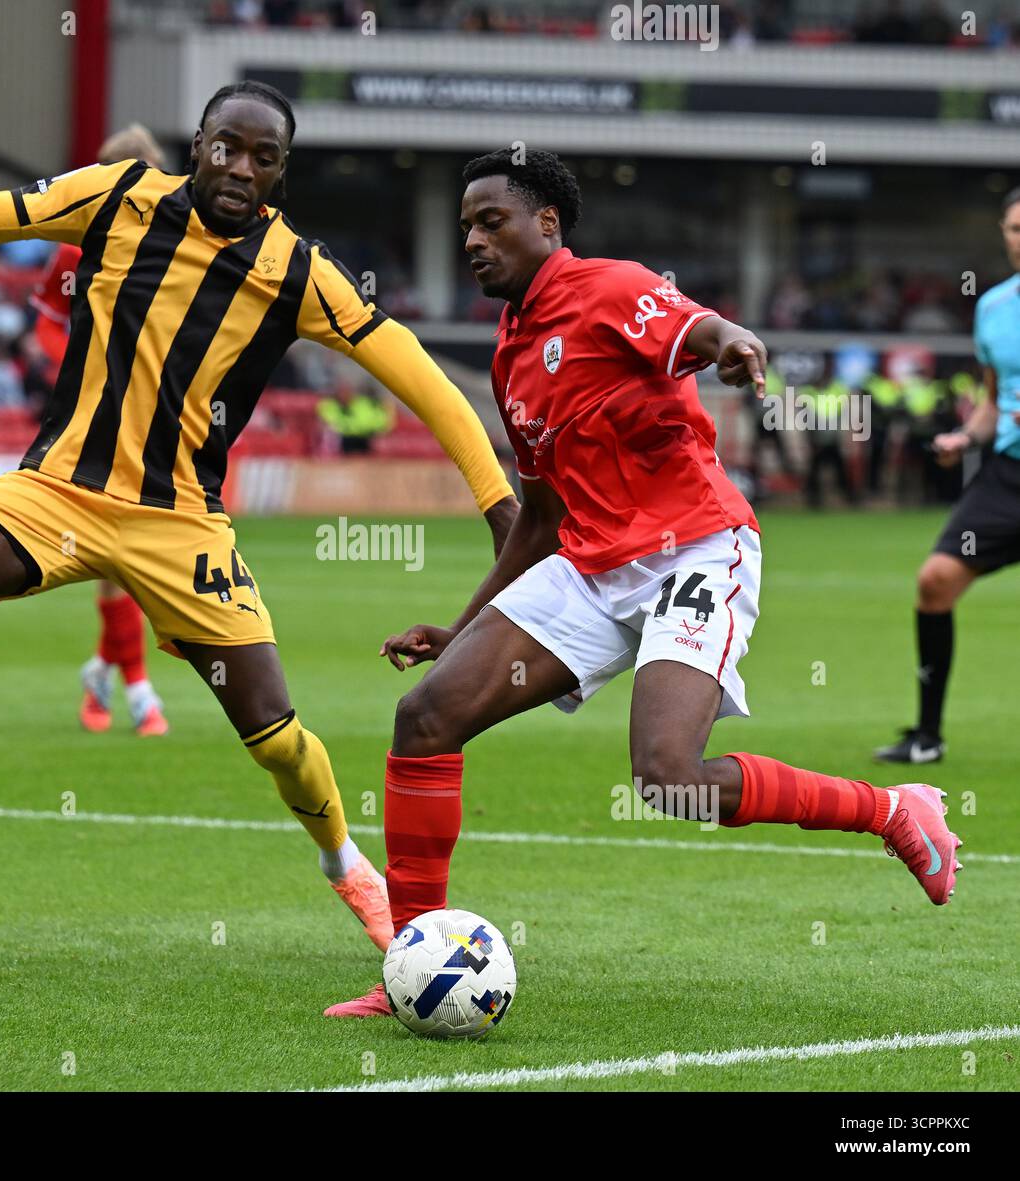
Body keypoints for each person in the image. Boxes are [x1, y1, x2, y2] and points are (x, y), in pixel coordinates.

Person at [0, 81, 518, 945]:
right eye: (227, 146)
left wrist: (497, 501)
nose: (241, 168)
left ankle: (346, 863)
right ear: (196, 144)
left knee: (277, 739)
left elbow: (415, 371)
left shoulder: (297, 270)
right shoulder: (118, 194)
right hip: (56, 493)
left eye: (265, 158)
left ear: (280, 175)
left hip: (181, 526)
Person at [325, 149, 961, 1018]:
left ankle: (893, 810)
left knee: (668, 774)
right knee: (427, 716)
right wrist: (462, 626)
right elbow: (541, 519)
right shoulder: (512, 358)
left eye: (491, 220)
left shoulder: (609, 287)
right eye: (465, 225)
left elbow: (701, 329)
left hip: (696, 548)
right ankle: (411, 966)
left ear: (548, 222)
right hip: (590, 566)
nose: (473, 238)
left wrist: (734, 343)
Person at [28, 123, 171, 737]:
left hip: (161, 416)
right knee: (118, 553)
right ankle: (138, 691)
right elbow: (45, 326)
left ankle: (101, 674)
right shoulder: (76, 247)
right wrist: (85, 366)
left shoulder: (178, 241)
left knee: (143, 554)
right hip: (94, 419)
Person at [874, 188, 1020, 763]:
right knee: (936, 581)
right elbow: (991, 400)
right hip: (1008, 475)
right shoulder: (993, 308)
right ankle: (927, 737)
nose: (1019, 238)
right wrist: (967, 436)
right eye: (1013, 228)